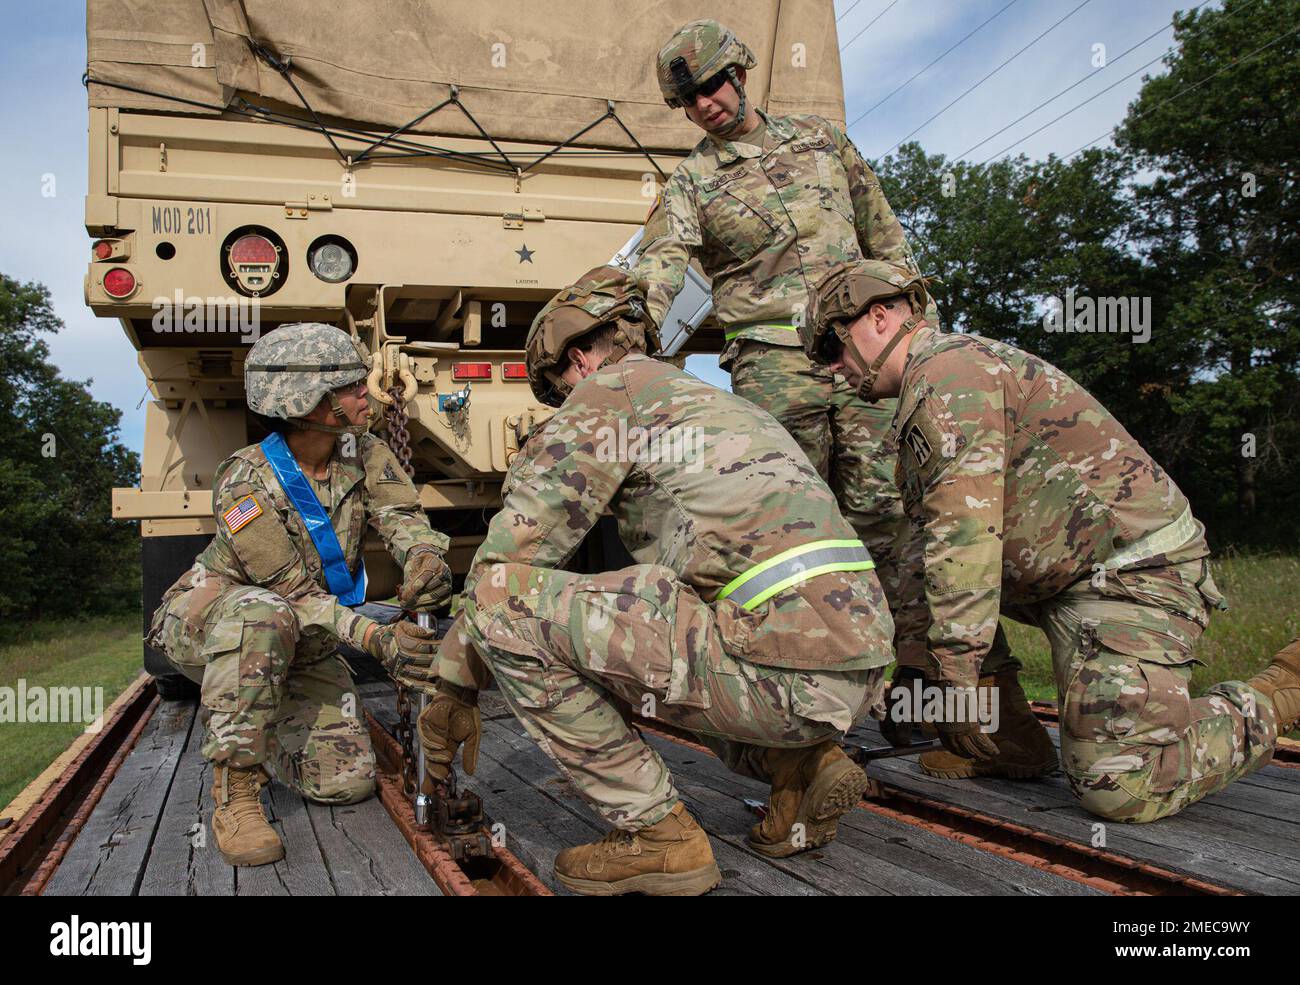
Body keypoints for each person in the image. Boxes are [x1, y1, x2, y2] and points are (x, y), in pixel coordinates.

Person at [420, 266, 894, 895]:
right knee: (658, 619)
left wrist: (449, 690)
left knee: (501, 604)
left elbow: (508, 563)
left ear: (580, 354)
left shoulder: (608, 394)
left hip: (780, 673)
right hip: (852, 667)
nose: (563, 400)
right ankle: (799, 766)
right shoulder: (717, 403)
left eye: (559, 384)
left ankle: (656, 834)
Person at [801, 259, 1300, 821]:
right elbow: (925, 551)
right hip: (1065, 580)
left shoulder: (952, 375)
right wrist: (921, 668)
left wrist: (956, 674)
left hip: (1134, 576)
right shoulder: (933, 383)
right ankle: (1010, 739)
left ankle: (1280, 690)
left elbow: (965, 535)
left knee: (1121, 787)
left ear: (880, 316)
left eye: (832, 346)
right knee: (909, 562)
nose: (833, 368)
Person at [633, 18, 937, 621]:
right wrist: (636, 337)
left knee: (888, 511)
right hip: (772, 365)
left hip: (865, 356)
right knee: (787, 516)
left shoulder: (822, 140)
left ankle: (913, 672)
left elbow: (885, 237)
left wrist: (921, 331)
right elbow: (664, 259)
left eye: (712, 85)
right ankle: (808, 664)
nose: (705, 104)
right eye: (689, 100)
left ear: (739, 74)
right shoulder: (691, 182)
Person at [149, 323, 453, 865]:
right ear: (308, 401)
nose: (368, 394)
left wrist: (425, 557)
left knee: (347, 783)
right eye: (352, 386)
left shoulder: (365, 451)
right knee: (262, 616)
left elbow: (402, 517)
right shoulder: (244, 480)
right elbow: (290, 592)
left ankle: (261, 734)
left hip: (303, 641)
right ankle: (235, 792)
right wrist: (379, 641)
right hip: (219, 625)